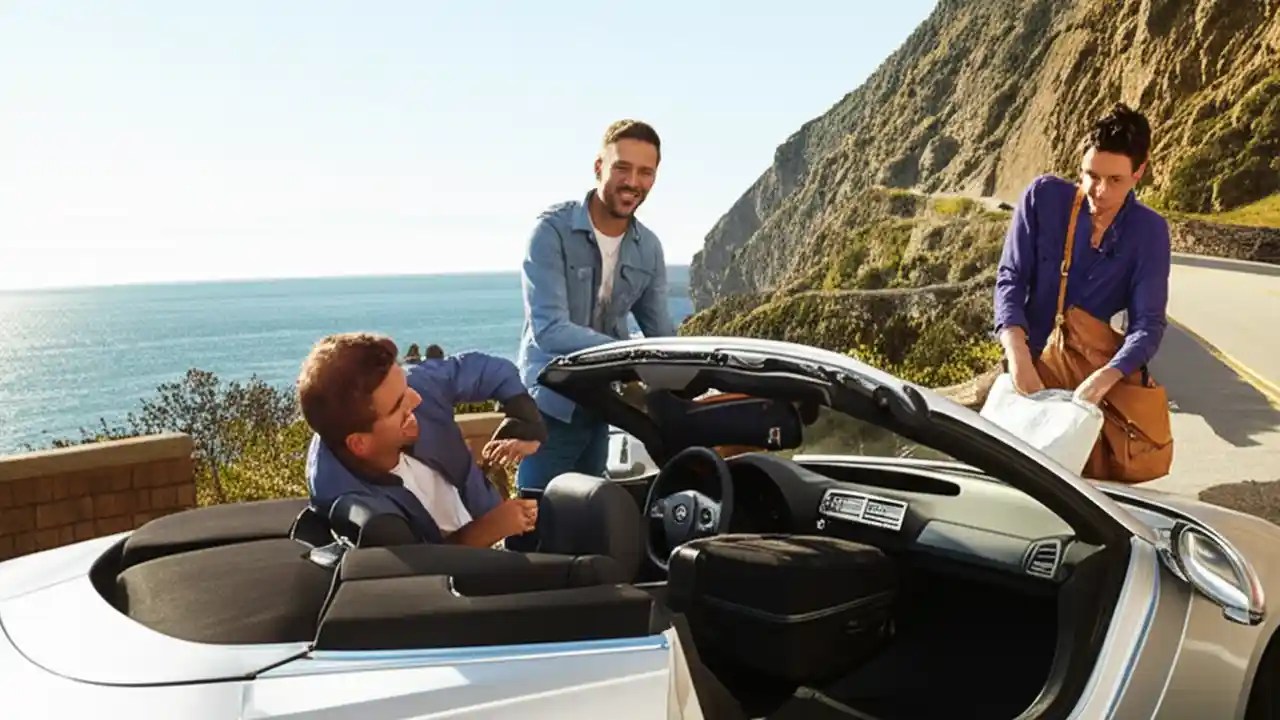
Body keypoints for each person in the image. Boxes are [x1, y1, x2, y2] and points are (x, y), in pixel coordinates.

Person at [515, 119, 675, 491]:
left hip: (601, 405)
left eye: (645, 172)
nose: (633, 182)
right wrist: (629, 355)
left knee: (589, 519)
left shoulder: (648, 248)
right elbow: (549, 331)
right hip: (549, 407)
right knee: (537, 520)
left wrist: (699, 377)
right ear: (599, 166)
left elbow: (662, 333)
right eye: (622, 167)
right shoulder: (550, 231)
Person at [993, 103, 1171, 408]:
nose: (1099, 191)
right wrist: (1017, 354)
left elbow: (1147, 324)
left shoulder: (1149, 231)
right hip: (1024, 365)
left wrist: (1106, 378)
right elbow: (1011, 277)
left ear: (1139, 171)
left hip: (1090, 387)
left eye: (1115, 180)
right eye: (1091, 175)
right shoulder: (1043, 198)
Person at [299, 332, 546, 547]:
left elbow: (492, 371)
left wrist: (523, 414)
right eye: (398, 406)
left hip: (502, 530)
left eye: (406, 387)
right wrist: (487, 530)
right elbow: (413, 570)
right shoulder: (344, 499)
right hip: (456, 582)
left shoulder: (413, 385)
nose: (416, 400)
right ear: (359, 444)